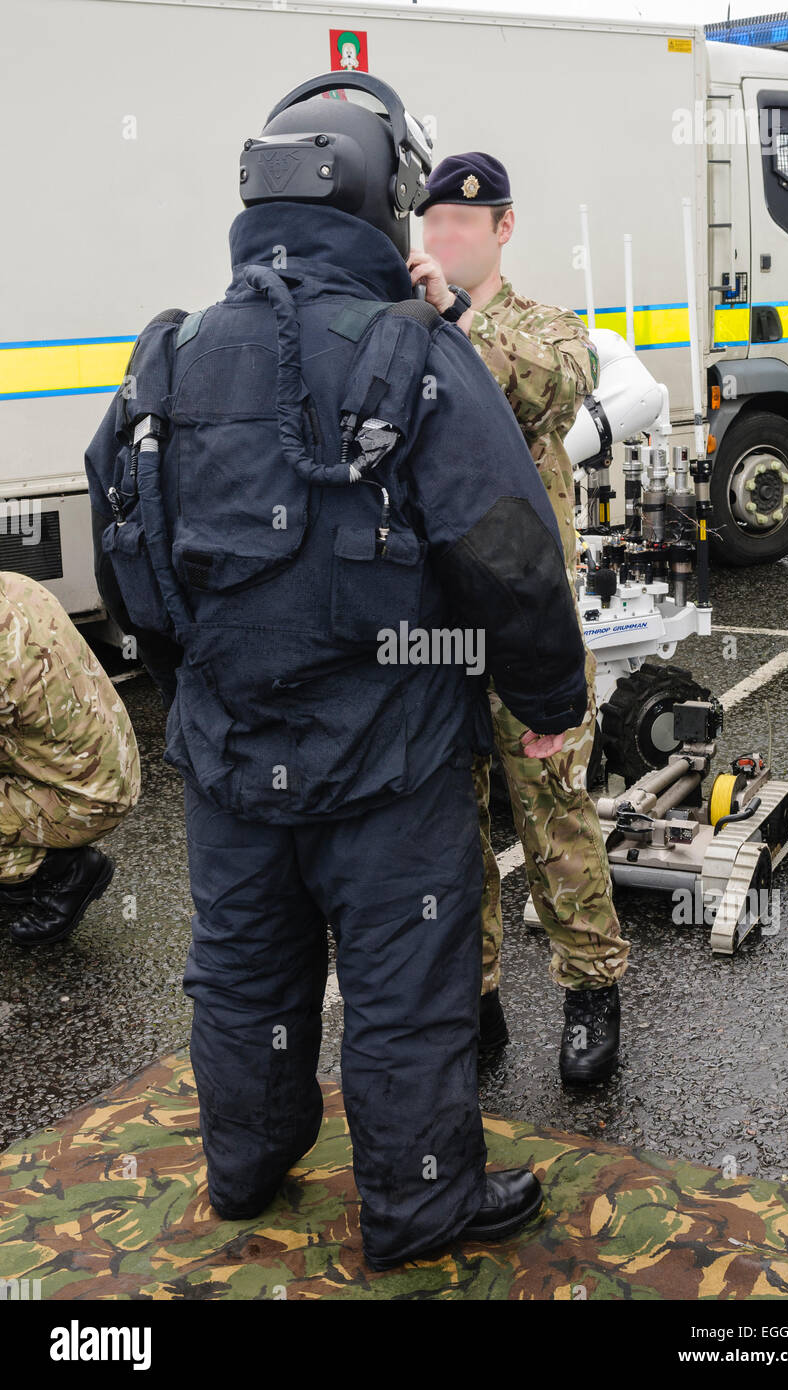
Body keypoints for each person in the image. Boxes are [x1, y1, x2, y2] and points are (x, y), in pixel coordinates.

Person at [84, 75, 589, 1272]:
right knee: (402, 992)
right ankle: (417, 1210)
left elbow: (129, 568)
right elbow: (508, 557)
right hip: (390, 765)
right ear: (382, 195)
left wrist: (203, 681)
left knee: (244, 975)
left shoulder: (170, 353)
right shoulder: (417, 355)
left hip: (226, 760)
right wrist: (551, 704)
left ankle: (245, 1169)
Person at [410, 152, 631, 1084]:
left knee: (550, 809)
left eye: (465, 224)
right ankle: (480, 997)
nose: (446, 237)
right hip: (429, 621)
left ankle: (590, 990)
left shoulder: (544, 327)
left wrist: (456, 319)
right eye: (434, 224)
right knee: (448, 825)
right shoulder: (402, 329)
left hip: (521, 619)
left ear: (502, 229)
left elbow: (553, 390)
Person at [0, 570, 140, 945]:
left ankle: (64, 872)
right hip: (112, 762)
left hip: (84, 799)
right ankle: (19, 877)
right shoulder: (14, 584)